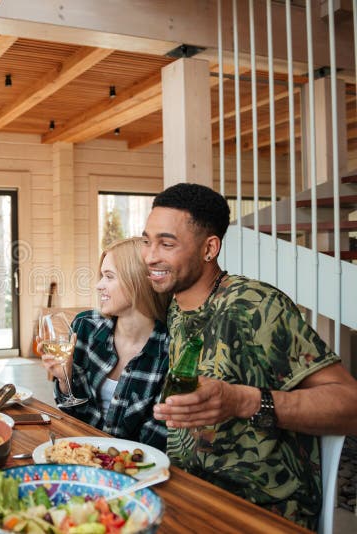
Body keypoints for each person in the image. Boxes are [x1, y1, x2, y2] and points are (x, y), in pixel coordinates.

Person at [141, 182, 357, 529]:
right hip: (189, 492)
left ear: (209, 248)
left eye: (167, 243)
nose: (150, 256)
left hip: (258, 510)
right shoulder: (178, 306)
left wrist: (244, 401)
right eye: (147, 241)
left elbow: (351, 404)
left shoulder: (253, 305)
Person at [41, 237, 171, 449]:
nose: (98, 285)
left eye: (109, 277)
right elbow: (70, 414)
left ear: (137, 281)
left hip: (133, 468)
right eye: (101, 276)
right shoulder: (86, 327)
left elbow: (155, 439)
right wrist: (66, 380)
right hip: (78, 453)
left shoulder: (169, 349)